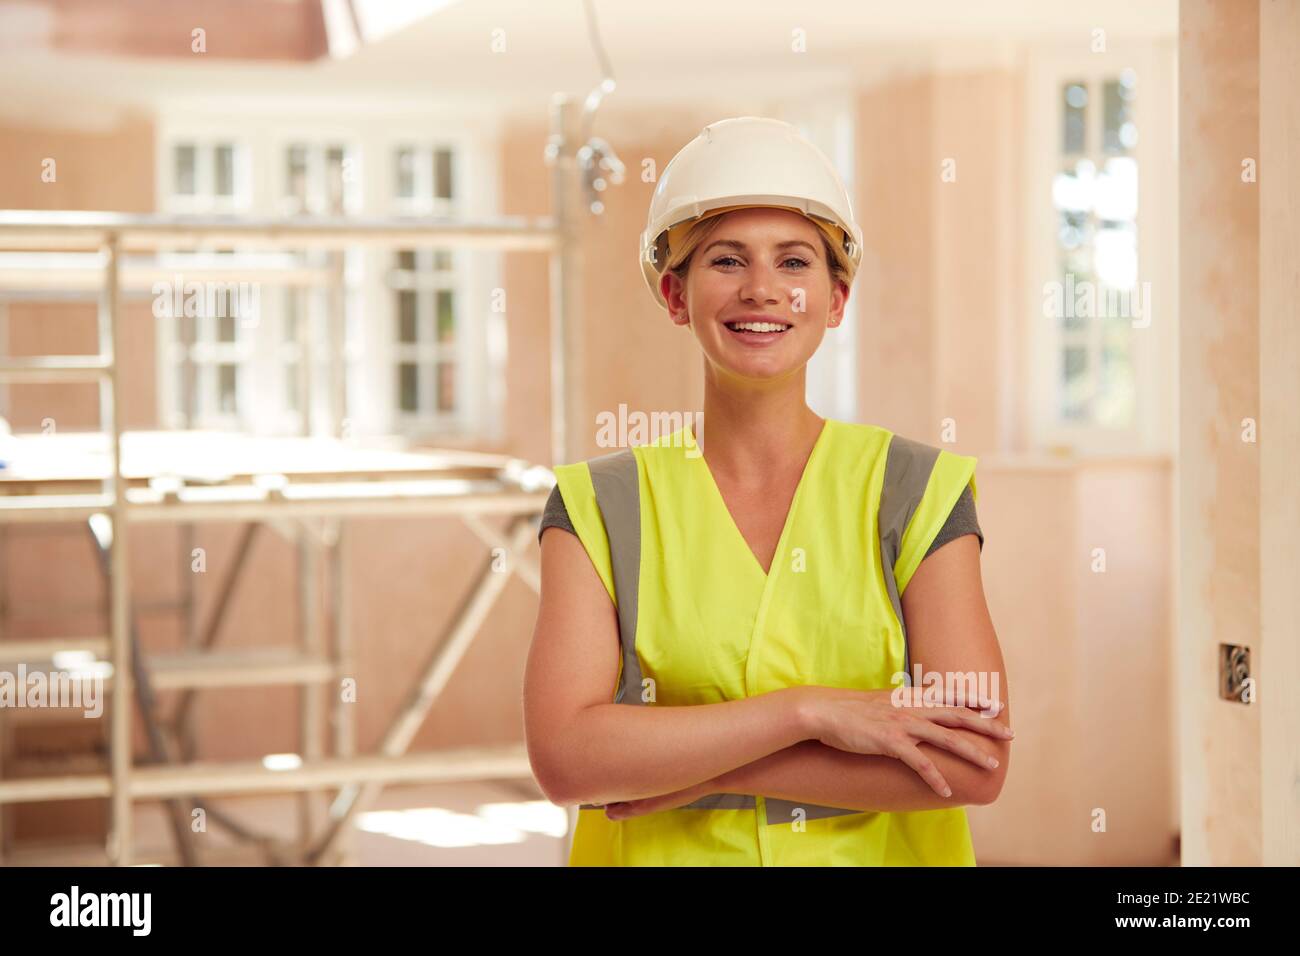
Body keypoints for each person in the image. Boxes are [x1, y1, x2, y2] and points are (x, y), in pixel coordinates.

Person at [524, 116, 1012, 866]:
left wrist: (694, 769)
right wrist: (811, 713)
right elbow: (566, 757)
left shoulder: (918, 492)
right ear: (675, 295)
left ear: (835, 299)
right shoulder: (599, 507)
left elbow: (974, 759)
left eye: (794, 262)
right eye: (726, 260)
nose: (762, 289)